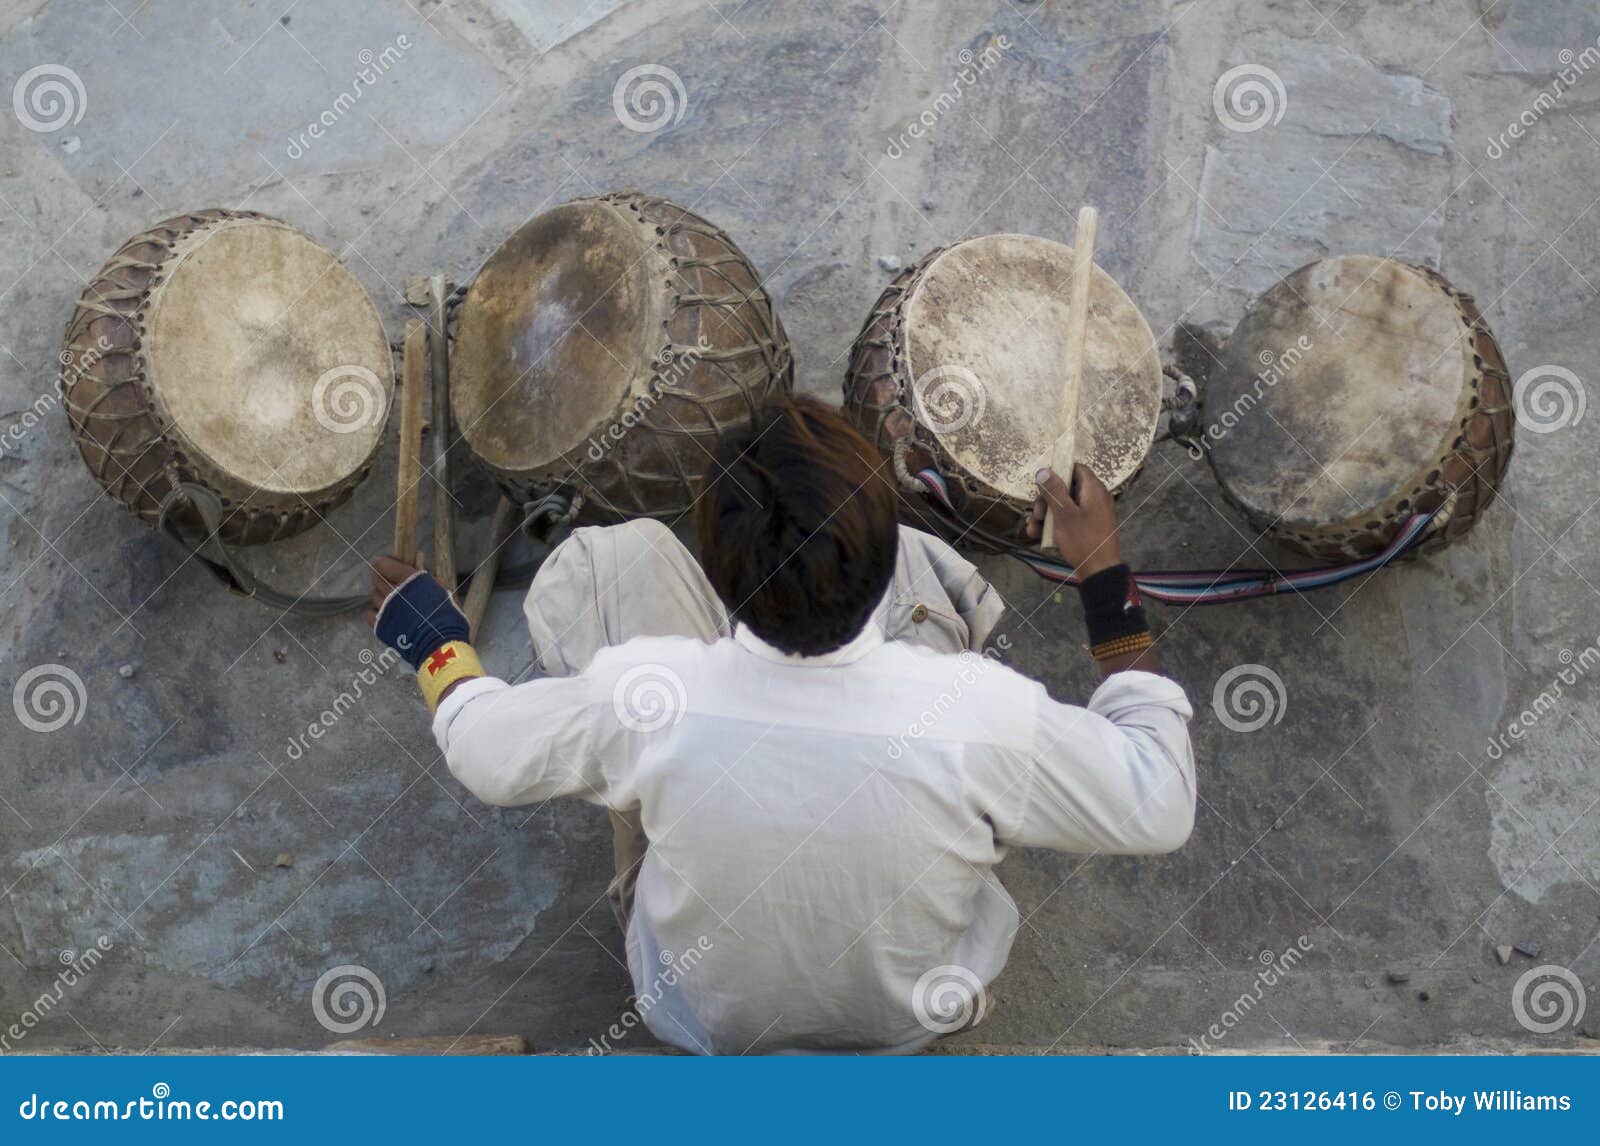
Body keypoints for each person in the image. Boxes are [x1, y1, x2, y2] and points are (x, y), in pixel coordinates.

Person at [369, 395, 1195, 1054]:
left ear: (720, 567)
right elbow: (1161, 802)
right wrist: (1103, 575)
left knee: (611, 559)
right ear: (867, 576)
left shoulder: (647, 697)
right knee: (923, 567)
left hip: (704, 1020)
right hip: (911, 1020)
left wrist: (436, 641)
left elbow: (479, 748)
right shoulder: (980, 710)